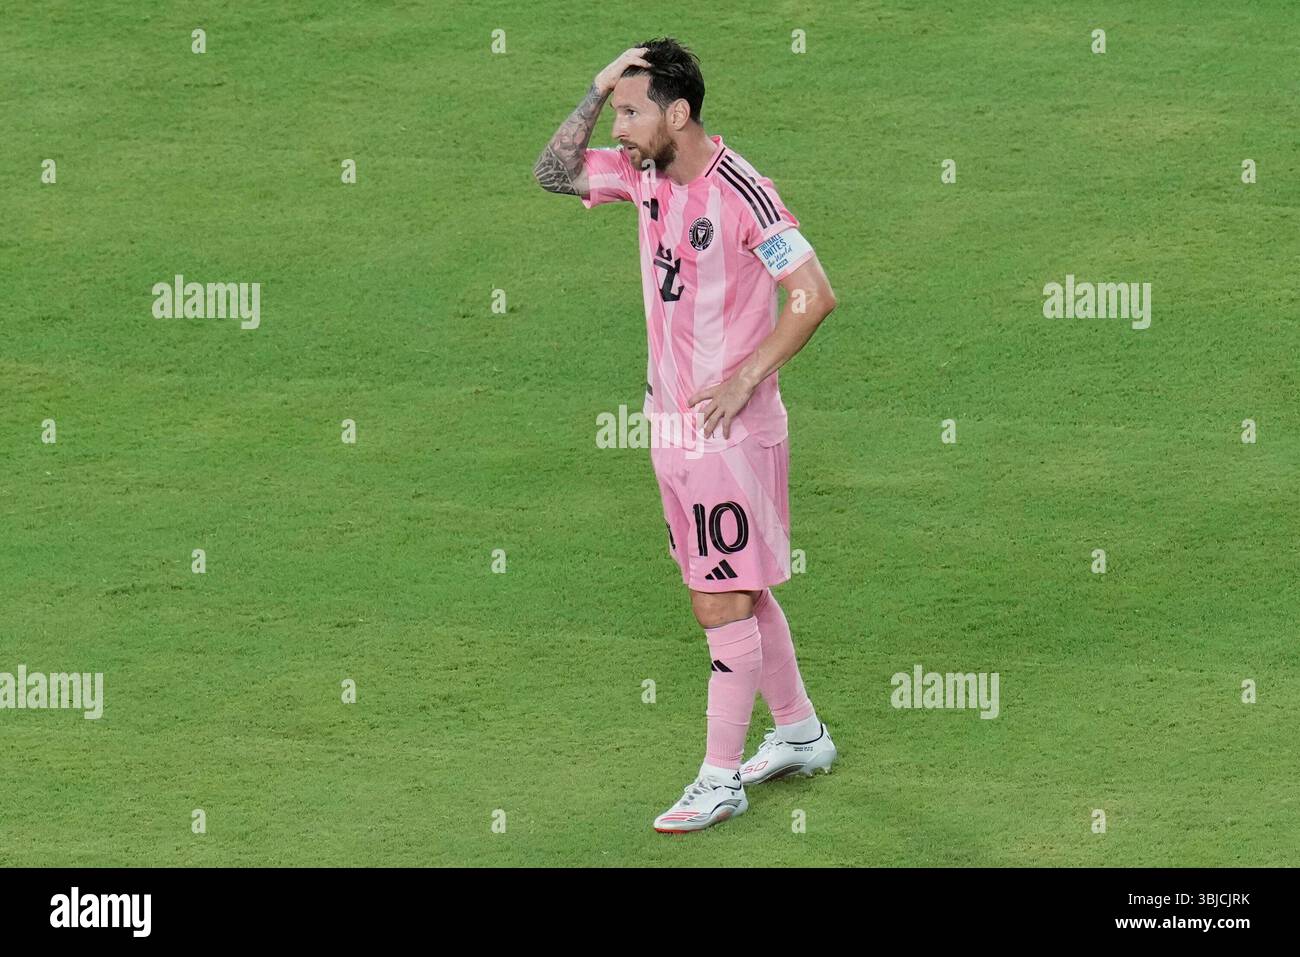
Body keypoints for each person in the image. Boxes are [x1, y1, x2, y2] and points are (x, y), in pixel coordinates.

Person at [534, 37, 839, 833]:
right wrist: (600, 84)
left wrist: (745, 377)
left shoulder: (745, 193)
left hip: (728, 433)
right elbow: (552, 171)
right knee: (734, 585)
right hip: (668, 425)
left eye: (633, 112)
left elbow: (812, 294)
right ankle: (801, 732)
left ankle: (719, 776)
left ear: (679, 112)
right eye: (618, 112)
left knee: (719, 598)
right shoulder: (641, 176)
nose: (620, 127)